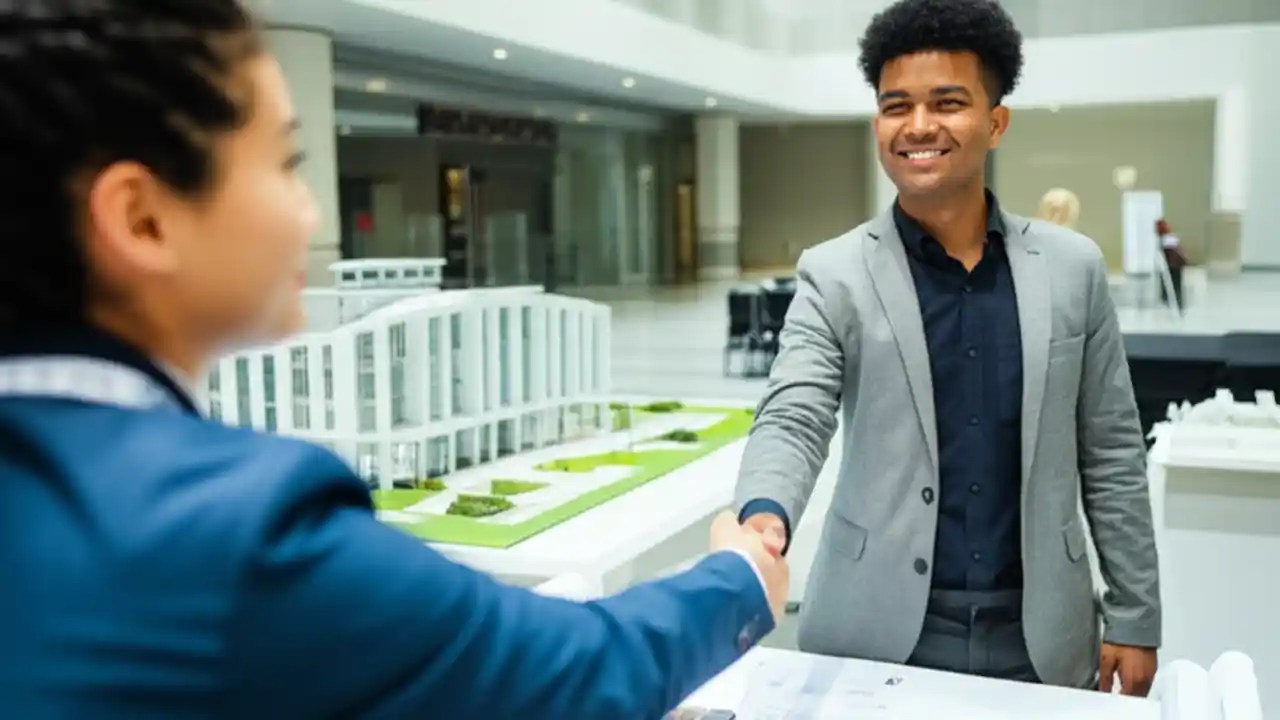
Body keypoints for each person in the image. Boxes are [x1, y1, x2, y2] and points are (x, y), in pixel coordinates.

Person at [0, 2, 787, 718]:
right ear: (141, 219)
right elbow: (576, 670)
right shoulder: (235, 530)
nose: (313, 213)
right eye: (285, 163)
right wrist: (739, 577)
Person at [734, 0, 1160, 696]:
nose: (919, 126)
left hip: (1040, 634)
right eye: (896, 105)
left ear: (996, 122)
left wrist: (1136, 615)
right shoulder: (833, 271)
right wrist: (765, 511)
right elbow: (794, 414)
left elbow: (1112, 450)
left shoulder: (1072, 267)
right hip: (873, 634)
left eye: (948, 102)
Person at [1156, 218, 1187, 310]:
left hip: (1172, 266)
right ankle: (1175, 302)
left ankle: (1171, 301)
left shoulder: (1166, 239)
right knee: (1175, 285)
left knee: (1172, 285)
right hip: (1173, 266)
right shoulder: (1169, 239)